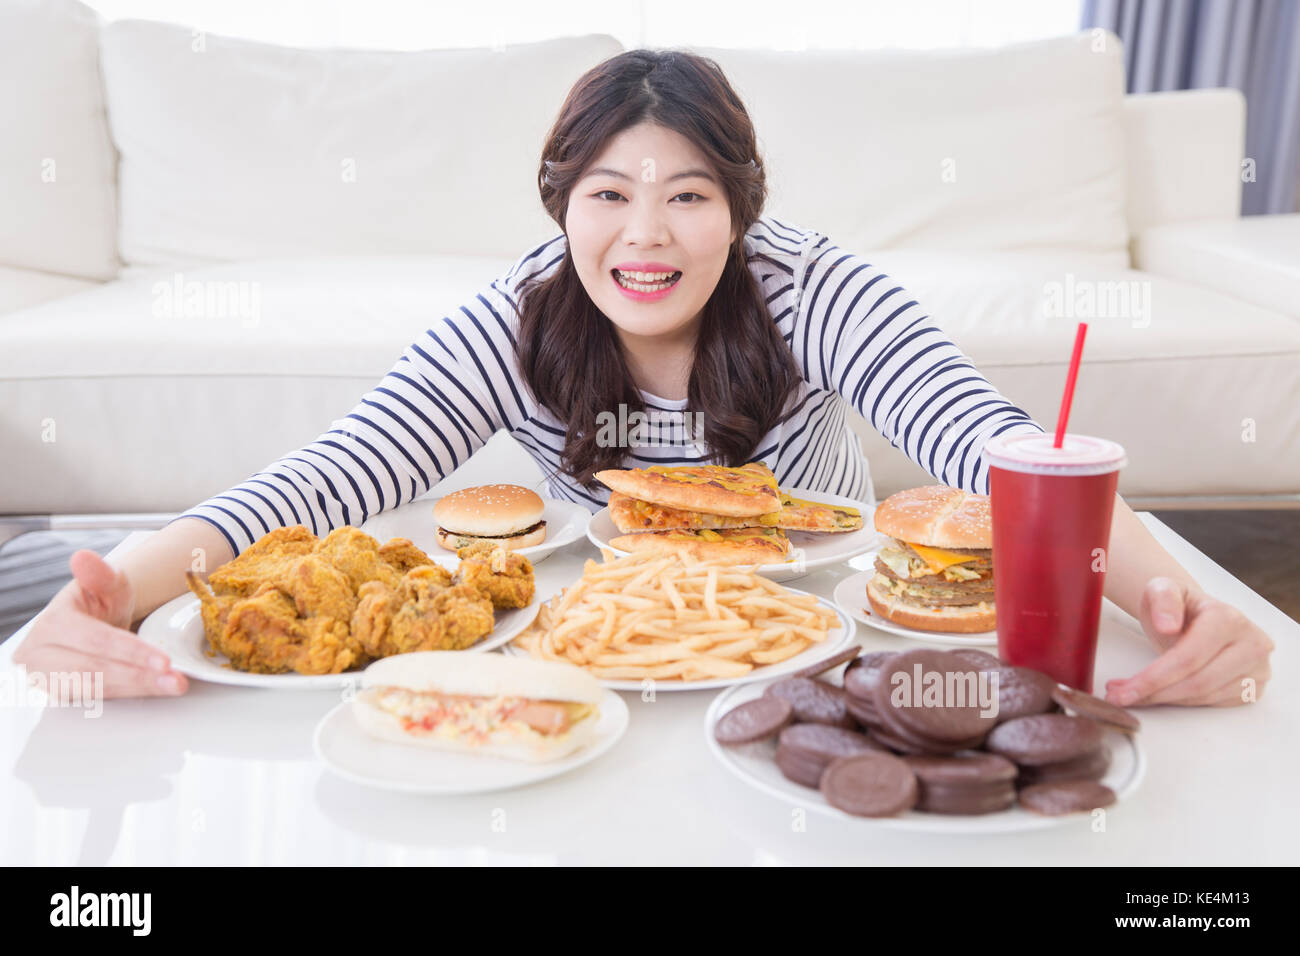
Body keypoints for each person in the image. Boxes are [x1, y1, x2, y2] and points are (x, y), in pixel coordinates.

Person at [15, 49, 1273, 705]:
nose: (646, 237)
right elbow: (335, 469)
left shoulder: (806, 286)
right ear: (564, 206)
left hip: (816, 630)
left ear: (740, 209)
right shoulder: (520, 313)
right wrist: (114, 590)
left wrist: (1178, 603)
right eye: (608, 198)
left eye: (689, 197)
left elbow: (986, 442)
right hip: (590, 631)